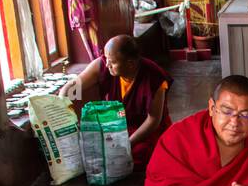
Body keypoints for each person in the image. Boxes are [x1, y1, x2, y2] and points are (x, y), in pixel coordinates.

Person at [61, 34, 171, 165]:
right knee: (93, 149)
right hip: (117, 125)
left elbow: (153, 120)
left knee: (140, 154)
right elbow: (74, 87)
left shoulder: (154, 77)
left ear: (130, 63)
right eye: (106, 59)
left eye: (112, 62)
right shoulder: (102, 65)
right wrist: (62, 101)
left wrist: (128, 143)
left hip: (145, 129)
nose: (107, 64)